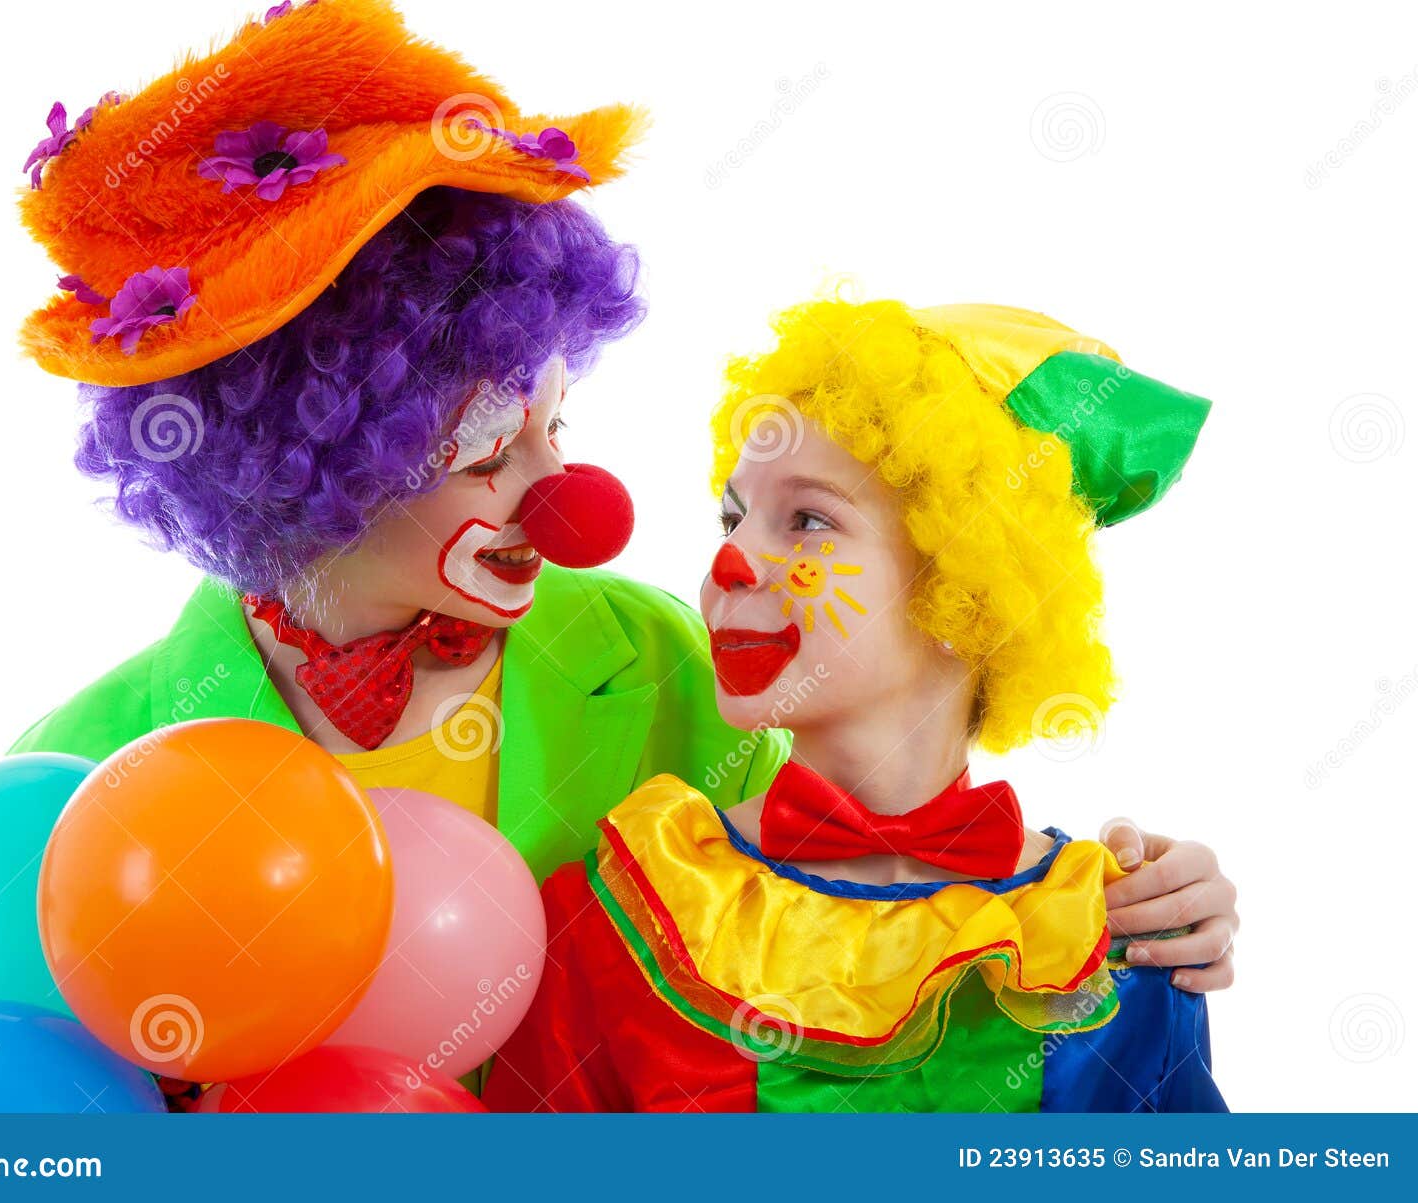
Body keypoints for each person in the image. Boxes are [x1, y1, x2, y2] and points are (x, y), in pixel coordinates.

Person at [8, 0, 1236, 1023]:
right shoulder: (86, 773)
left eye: (561, 427)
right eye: (493, 451)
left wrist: (1129, 892)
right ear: (315, 467)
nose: (568, 501)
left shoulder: (669, 670)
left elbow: (864, 878)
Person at [483, 298, 1228, 1112]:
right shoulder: (620, 917)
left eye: (806, 520)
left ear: (964, 586)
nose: (731, 561)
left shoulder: (1114, 937)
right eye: (733, 518)